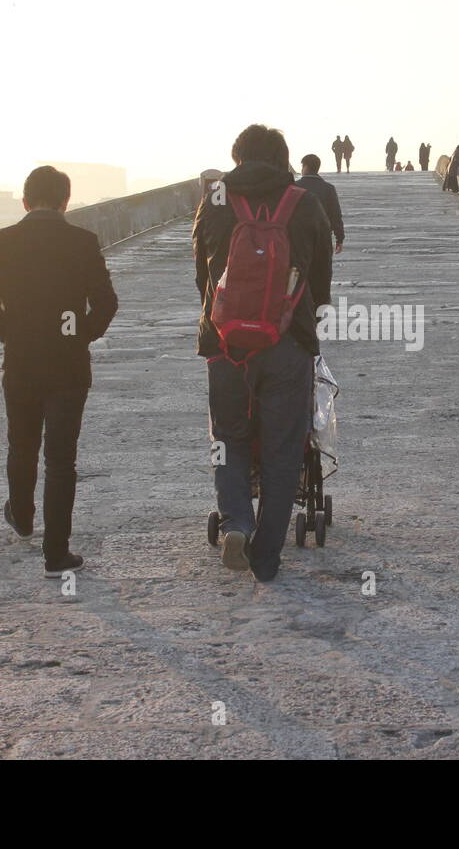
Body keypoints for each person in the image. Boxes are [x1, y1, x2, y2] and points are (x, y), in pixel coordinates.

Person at [193, 125, 333, 582]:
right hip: (286, 342)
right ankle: (267, 556)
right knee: (283, 446)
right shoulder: (303, 202)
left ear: (237, 157)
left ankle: (236, 520)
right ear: (282, 158)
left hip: (226, 345)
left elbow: (203, 277)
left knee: (227, 439)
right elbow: (321, 281)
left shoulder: (216, 200)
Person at [0, 165, 118, 578]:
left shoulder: (0, 243)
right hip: (68, 365)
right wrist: (81, 335)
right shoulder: (82, 242)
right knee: (61, 459)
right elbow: (106, 303)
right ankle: (56, 554)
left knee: (21, 445)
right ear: (65, 201)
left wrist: (11, 334)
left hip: (21, 362)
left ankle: (21, 515)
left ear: (24, 200)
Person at [297, 153, 345, 253]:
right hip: (323, 237)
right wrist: (339, 238)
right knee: (322, 268)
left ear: (305, 167)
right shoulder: (328, 189)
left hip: (299, 238)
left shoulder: (294, 187)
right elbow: (335, 215)